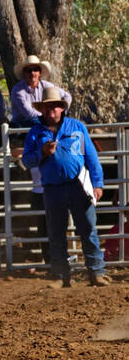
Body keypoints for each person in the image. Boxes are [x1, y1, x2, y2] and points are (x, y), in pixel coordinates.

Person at [20, 86, 108, 286]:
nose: (51, 111)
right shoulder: (35, 132)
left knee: (88, 229)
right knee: (56, 232)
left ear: (62, 108)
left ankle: (96, 272)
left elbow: (91, 157)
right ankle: (61, 275)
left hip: (79, 185)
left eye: (55, 107)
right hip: (52, 187)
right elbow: (27, 160)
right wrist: (42, 153)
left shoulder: (77, 127)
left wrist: (97, 183)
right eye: (47, 107)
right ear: (42, 110)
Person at [10, 55, 71, 128]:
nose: (32, 73)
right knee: (38, 122)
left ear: (40, 73)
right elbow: (29, 113)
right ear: (24, 73)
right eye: (29, 71)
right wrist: (49, 116)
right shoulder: (17, 90)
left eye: (35, 70)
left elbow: (67, 96)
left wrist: (62, 112)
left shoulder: (47, 86)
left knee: (67, 123)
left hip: (43, 119)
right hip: (22, 124)